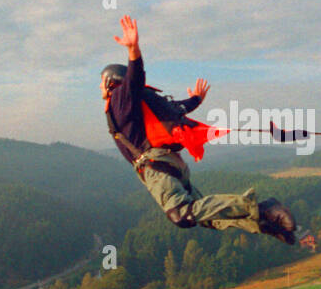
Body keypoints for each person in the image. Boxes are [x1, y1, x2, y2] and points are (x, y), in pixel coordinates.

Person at [103, 15, 298, 244]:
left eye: (101, 81)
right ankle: (265, 224)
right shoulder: (137, 106)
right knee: (206, 217)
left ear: (111, 81)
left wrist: (133, 51)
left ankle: (260, 208)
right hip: (169, 163)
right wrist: (195, 100)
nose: (100, 86)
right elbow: (175, 109)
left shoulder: (119, 99)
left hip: (156, 165)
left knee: (181, 215)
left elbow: (135, 80)